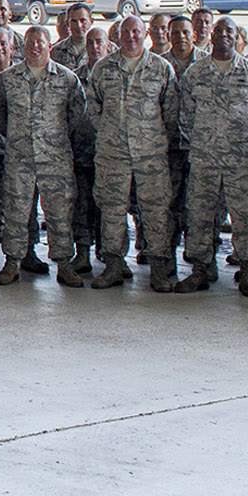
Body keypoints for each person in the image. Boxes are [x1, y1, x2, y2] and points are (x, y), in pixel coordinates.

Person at [86, 16, 179, 291]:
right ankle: (113, 265)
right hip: (112, 153)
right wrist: (107, 130)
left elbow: (171, 112)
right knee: (112, 210)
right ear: (118, 35)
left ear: (145, 33)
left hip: (151, 153)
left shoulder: (162, 68)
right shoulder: (104, 69)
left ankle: (159, 268)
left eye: (136, 32)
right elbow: (92, 106)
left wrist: (156, 137)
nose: (131, 37)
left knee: (155, 210)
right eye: (125, 32)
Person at [176, 19, 248, 297]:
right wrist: (202, 144)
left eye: (230, 32)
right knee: (201, 216)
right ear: (211, 36)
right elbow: (185, 117)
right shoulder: (195, 73)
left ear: (238, 37)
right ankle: (200, 269)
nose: (224, 36)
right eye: (220, 31)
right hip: (204, 159)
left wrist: (244, 148)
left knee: (244, 217)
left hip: (239, 161)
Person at [0, 27, 90, 287]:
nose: (35, 47)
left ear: (50, 46)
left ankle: (64, 263)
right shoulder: (7, 79)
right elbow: (1, 117)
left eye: (40, 42)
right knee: (15, 211)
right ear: (22, 47)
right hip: (20, 157)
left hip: (55, 157)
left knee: (59, 212)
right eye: (30, 43)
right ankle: (12, 261)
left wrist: (52, 138)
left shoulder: (67, 79)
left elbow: (75, 115)